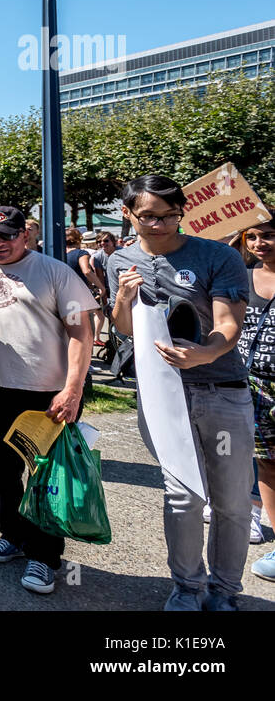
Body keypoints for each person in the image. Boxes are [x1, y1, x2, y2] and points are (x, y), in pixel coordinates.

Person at [105, 175, 251, 611]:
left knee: (230, 500)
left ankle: (223, 592)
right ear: (128, 214)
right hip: (162, 394)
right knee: (183, 495)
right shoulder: (120, 261)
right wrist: (123, 301)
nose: (161, 225)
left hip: (221, 389)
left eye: (170, 215)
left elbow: (229, 324)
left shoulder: (218, 255)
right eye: (148, 216)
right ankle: (186, 588)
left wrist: (205, 352)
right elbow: (124, 329)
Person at [0, 204, 96, 596]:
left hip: (49, 392)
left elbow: (82, 332)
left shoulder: (54, 272)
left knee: (46, 478)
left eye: (6, 235)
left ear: (25, 235)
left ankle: (45, 557)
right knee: (2, 470)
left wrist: (73, 389)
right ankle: (12, 535)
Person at [236, 220, 275, 582]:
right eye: (253, 237)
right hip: (254, 384)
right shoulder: (244, 276)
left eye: (268, 235)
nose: (260, 243)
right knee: (265, 464)